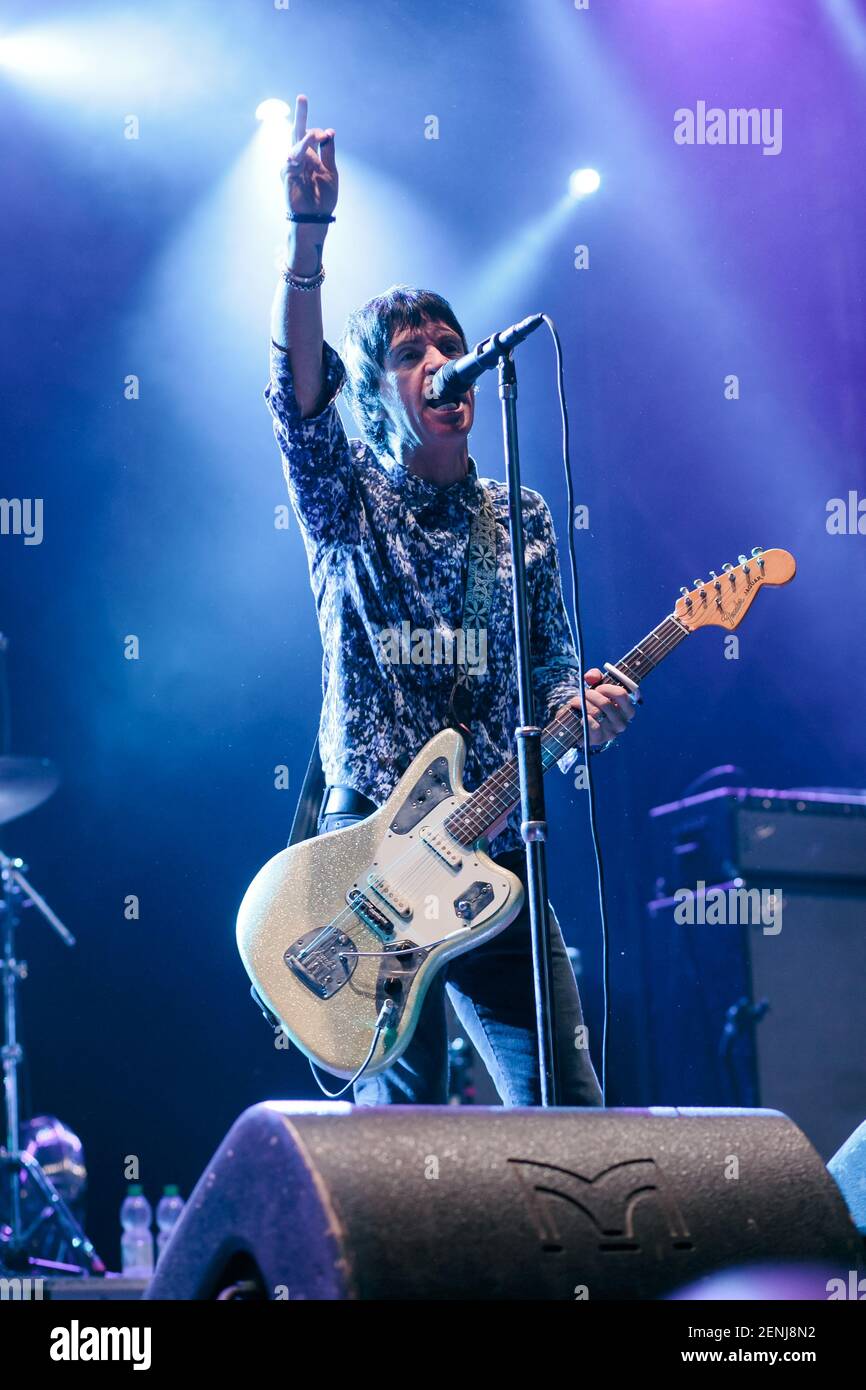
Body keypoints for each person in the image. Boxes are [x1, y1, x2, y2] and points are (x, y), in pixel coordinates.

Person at [265, 95, 637, 1106]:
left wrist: (588, 717)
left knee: (572, 1112)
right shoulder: (350, 502)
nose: (438, 356)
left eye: (447, 337)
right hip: (372, 866)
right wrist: (308, 238)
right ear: (382, 389)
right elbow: (299, 400)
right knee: (399, 1142)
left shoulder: (518, 516)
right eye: (408, 349)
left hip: (497, 854)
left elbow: (555, 672)